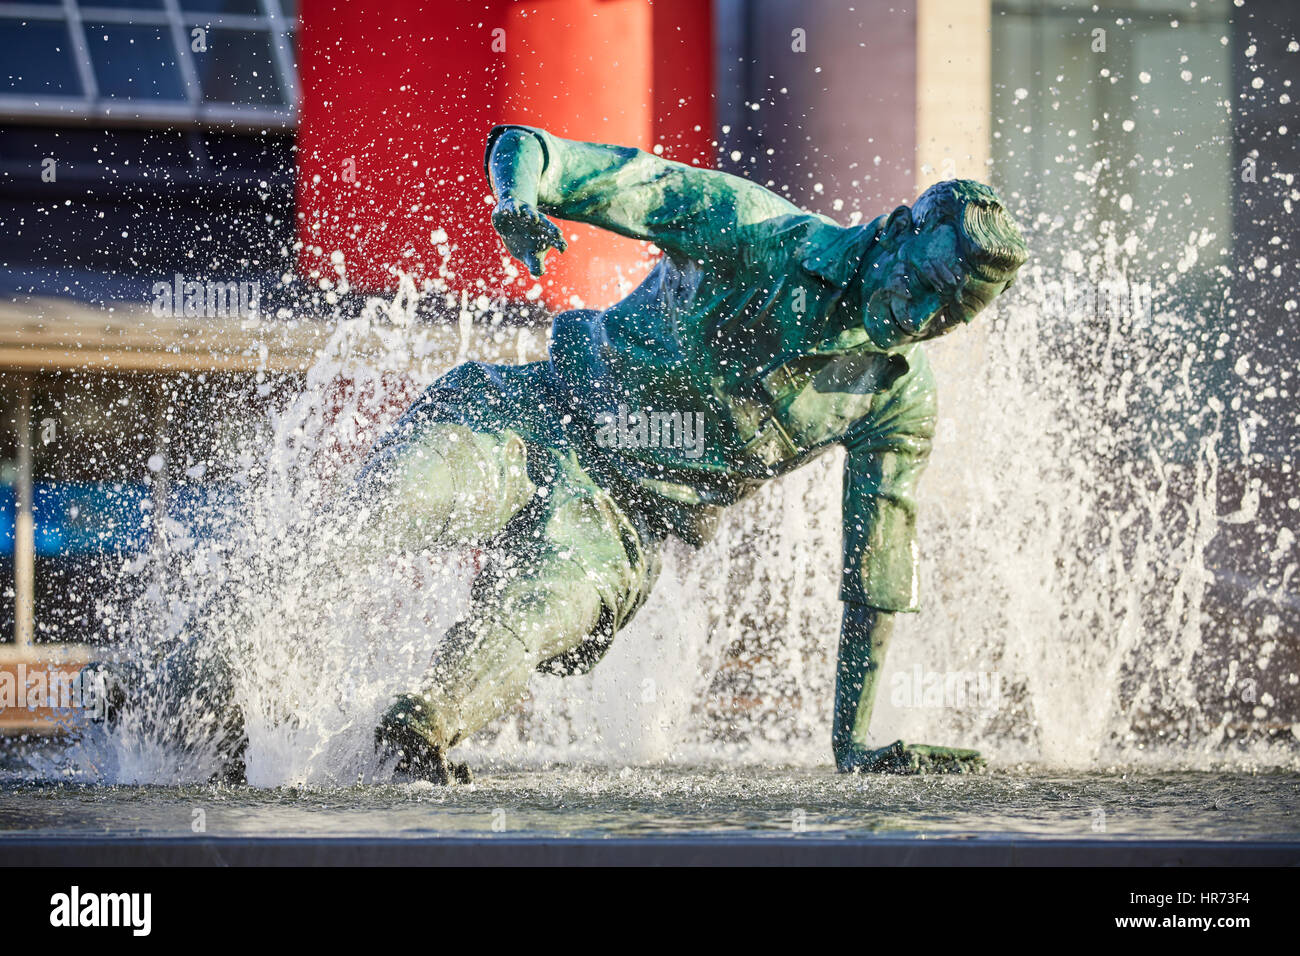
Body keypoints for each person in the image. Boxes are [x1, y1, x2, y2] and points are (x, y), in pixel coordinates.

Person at [356, 124, 1029, 780]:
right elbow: (529, 148)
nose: (918, 318)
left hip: (619, 528)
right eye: (925, 282)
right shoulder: (749, 228)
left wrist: (854, 748)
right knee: (377, 514)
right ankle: (250, 675)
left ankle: (410, 744)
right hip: (533, 416)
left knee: (528, 620)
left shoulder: (896, 399)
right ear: (902, 229)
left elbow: (873, 578)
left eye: (948, 316)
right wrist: (517, 202)